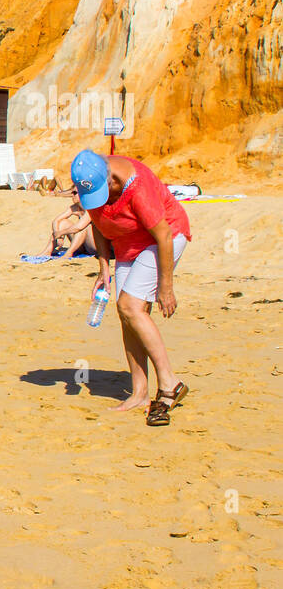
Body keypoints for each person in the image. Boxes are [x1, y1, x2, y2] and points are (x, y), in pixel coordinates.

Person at [72, 149, 192, 425]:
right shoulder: (89, 182)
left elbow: (162, 233)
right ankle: (139, 392)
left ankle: (170, 383)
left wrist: (166, 286)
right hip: (128, 245)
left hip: (164, 238)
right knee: (126, 315)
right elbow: (99, 226)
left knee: (130, 305)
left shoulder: (135, 184)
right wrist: (104, 268)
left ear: (111, 178)